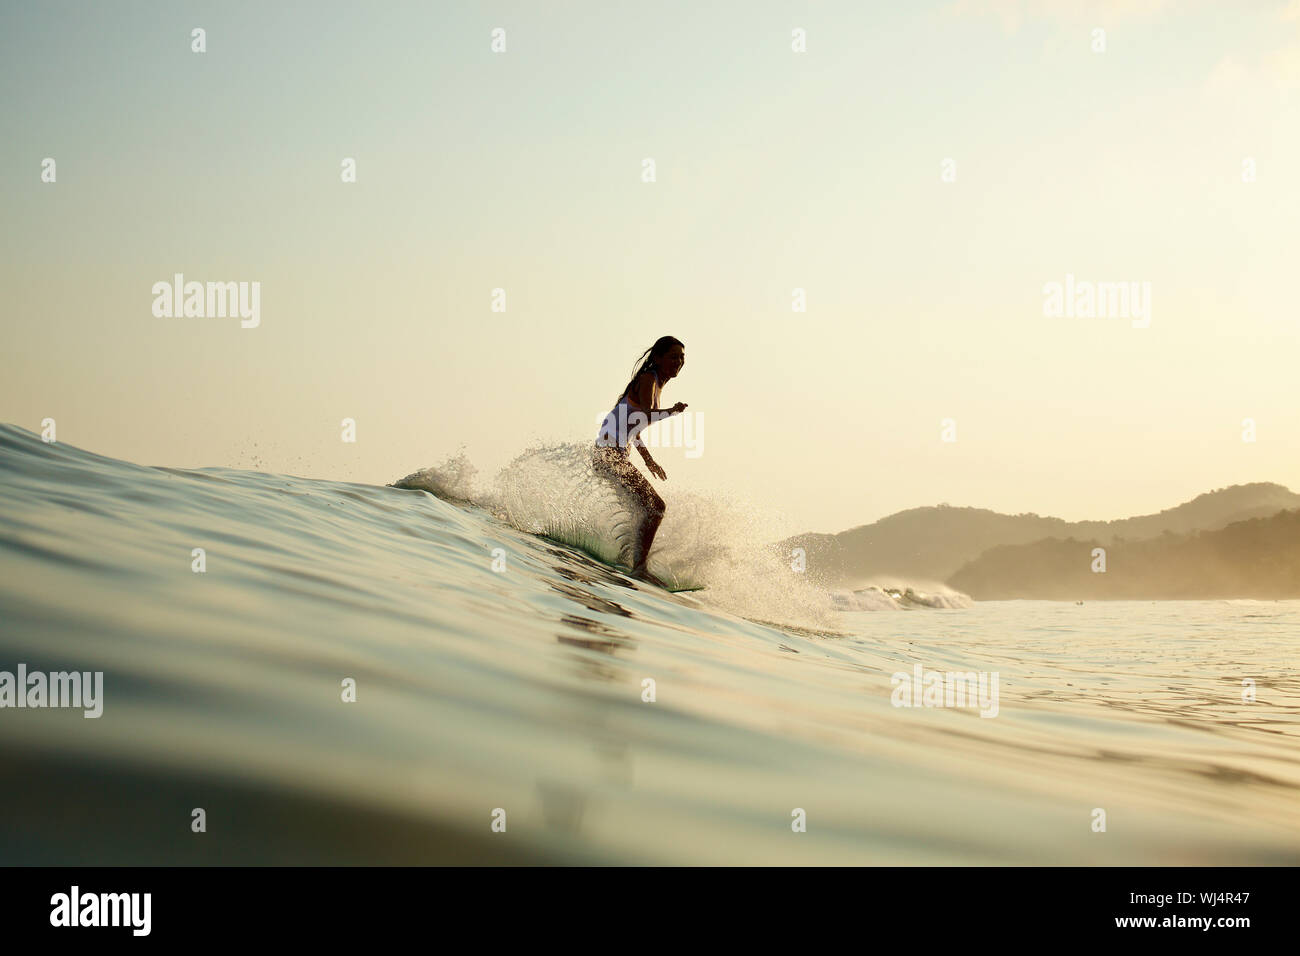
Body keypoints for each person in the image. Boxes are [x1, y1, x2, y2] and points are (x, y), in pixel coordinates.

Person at [593, 336, 687, 585]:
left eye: (682, 357)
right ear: (657, 357)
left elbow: (634, 426)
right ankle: (639, 567)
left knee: (648, 508)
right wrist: (671, 412)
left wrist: (648, 460)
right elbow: (645, 414)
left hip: (613, 453)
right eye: (674, 356)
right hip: (608, 453)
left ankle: (633, 560)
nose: (679, 361)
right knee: (656, 507)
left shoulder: (657, 385)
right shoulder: (648, 380)